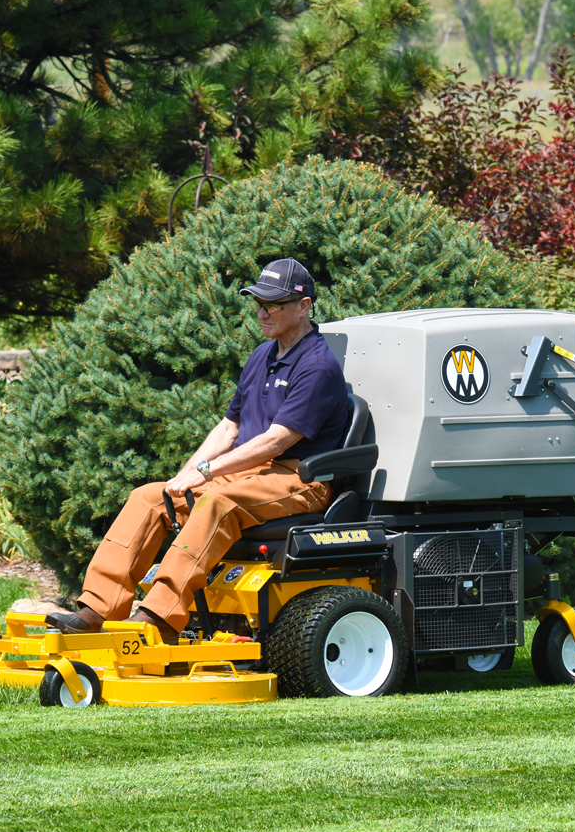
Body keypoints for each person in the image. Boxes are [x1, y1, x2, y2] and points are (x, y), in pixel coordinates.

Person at [47, 258, 350, 640]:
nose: (262, 312)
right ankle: (96, 609)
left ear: (304, 306)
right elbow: (229, 427)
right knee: (150, 498)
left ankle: (158, 618)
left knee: (216, 504)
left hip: (298, 478)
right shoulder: (262, 355)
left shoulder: (317, 365)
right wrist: (184, 477)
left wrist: (206, 473)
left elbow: (277, 440)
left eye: (273, 304)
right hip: (249, 473)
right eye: (258, 303)